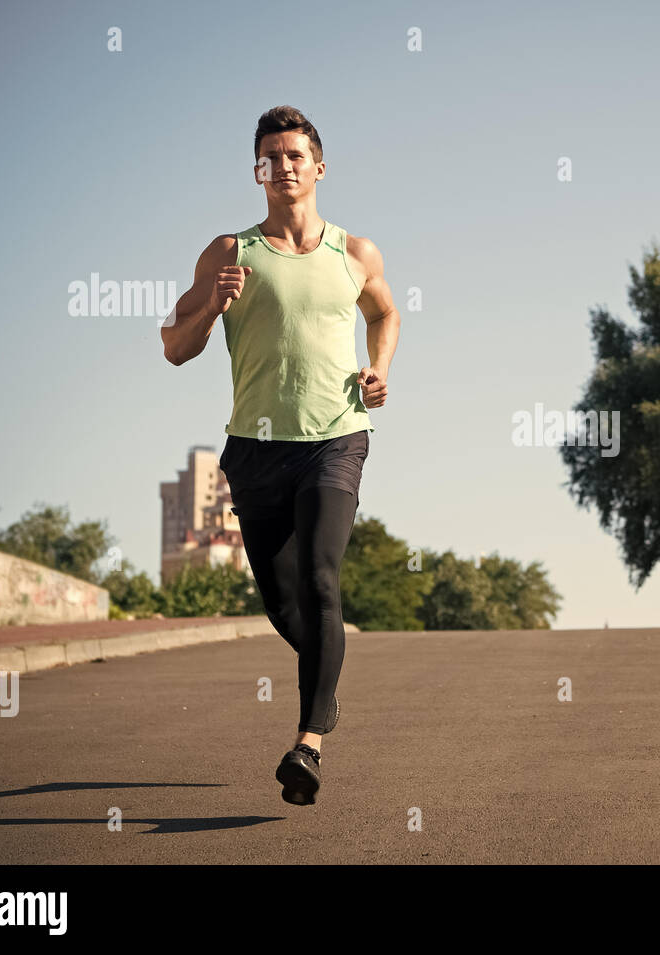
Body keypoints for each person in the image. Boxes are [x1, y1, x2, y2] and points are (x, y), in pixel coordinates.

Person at [160, 105, 400, 805]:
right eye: (272, 155)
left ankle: (308, 743)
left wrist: (379, 367)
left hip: (335, 437)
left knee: (323, 579)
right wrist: (212, 306)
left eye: (297, 154)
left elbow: (384, 312)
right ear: (257, 170)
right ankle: (325, 671)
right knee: (286, 604)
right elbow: (175, 345)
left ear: (318, 168)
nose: (285, 165)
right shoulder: (229, 252)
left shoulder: (355, 253)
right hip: (256, 450)